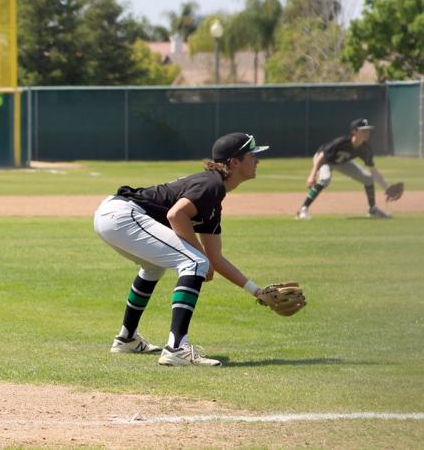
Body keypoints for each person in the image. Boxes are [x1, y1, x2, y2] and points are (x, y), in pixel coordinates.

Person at [93, 132, 270, 367]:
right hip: (123, 215)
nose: (257, 160)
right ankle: (176, 348)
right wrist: (199, 256)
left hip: (113, 216)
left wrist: (257, 292)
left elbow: (215, 259)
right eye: (252, 155)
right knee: (195, 262)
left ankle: (127, 338)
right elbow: (176, 215)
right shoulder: (211, 185)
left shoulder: (214, 201)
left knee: (155, 267)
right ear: (234, 162)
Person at [296, 118, 392, 220]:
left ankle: (373, 210)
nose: (367, 133)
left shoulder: (366, 148)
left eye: (368, 130)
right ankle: (303, 209)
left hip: (343, 162)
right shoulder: (341, 142)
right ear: (354, 131)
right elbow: (321, 156)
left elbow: (374, 171)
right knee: (325, 179)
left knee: (368, 178)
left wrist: (386, 188)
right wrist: (312, 175)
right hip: (324, 160)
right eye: (363, 130)